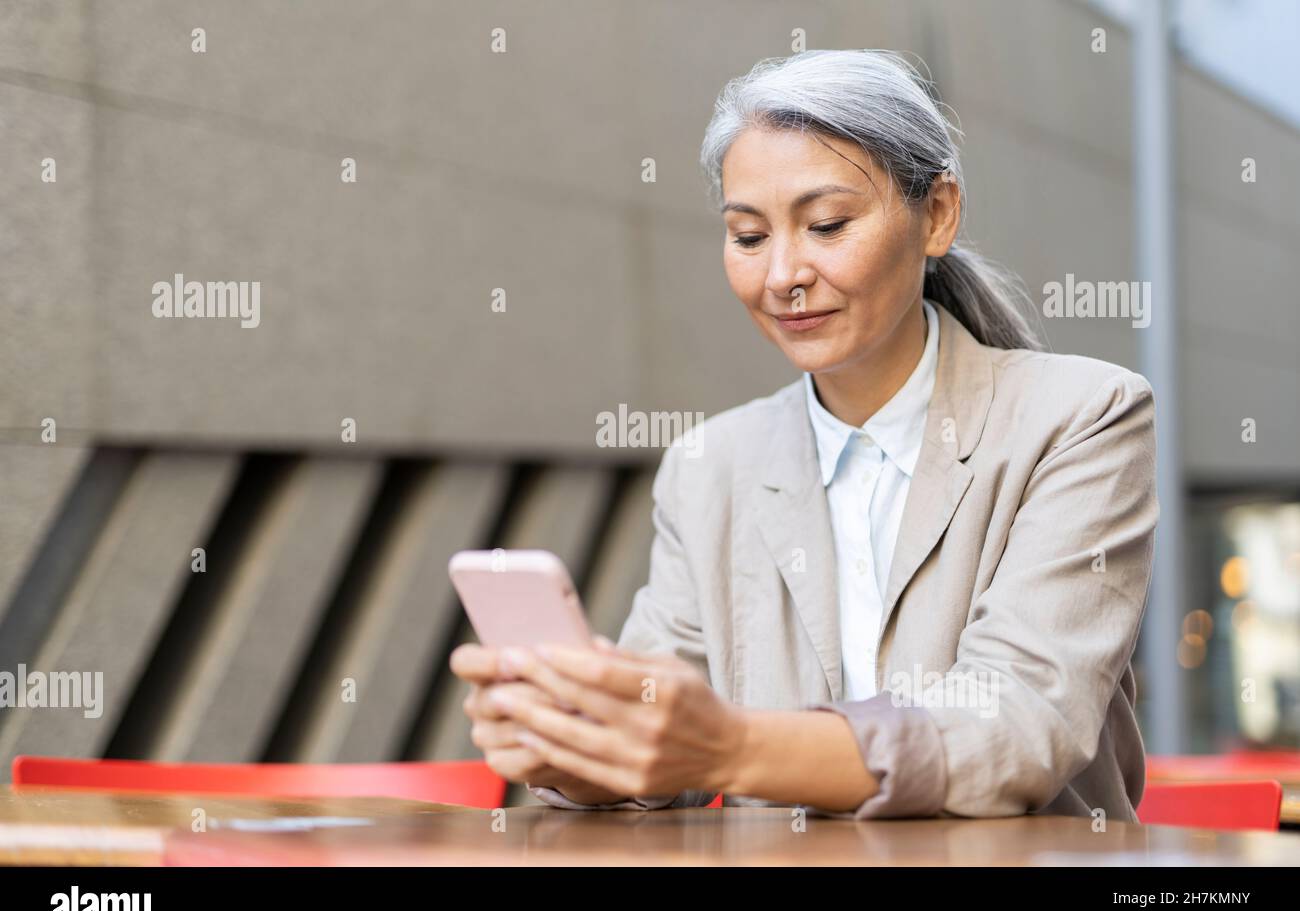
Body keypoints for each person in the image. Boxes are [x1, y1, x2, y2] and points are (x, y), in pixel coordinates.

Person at [452, 49, 1157, 820]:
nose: (784, 272)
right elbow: (659, 753)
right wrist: (580, 749)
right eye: (749, 236)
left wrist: (732, 747)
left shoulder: (1083, 418)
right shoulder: (710, 467)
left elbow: (1021, 727)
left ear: (939, 214)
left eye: (826, 225)